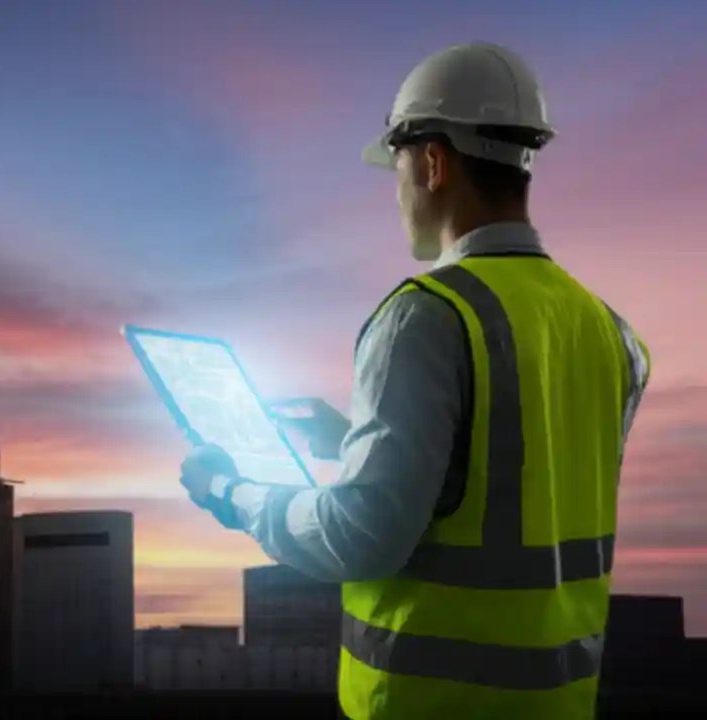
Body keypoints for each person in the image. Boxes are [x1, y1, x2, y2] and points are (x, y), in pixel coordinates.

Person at [179, 42, 651, 719]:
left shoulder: (426, 316)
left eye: (395, 164)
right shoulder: (611, 331)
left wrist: (232, 491)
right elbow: (509, 483)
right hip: (557, 703)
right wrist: (351, 442)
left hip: (433, 702)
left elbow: (361, 535)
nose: (396, 189)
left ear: (432, 162)